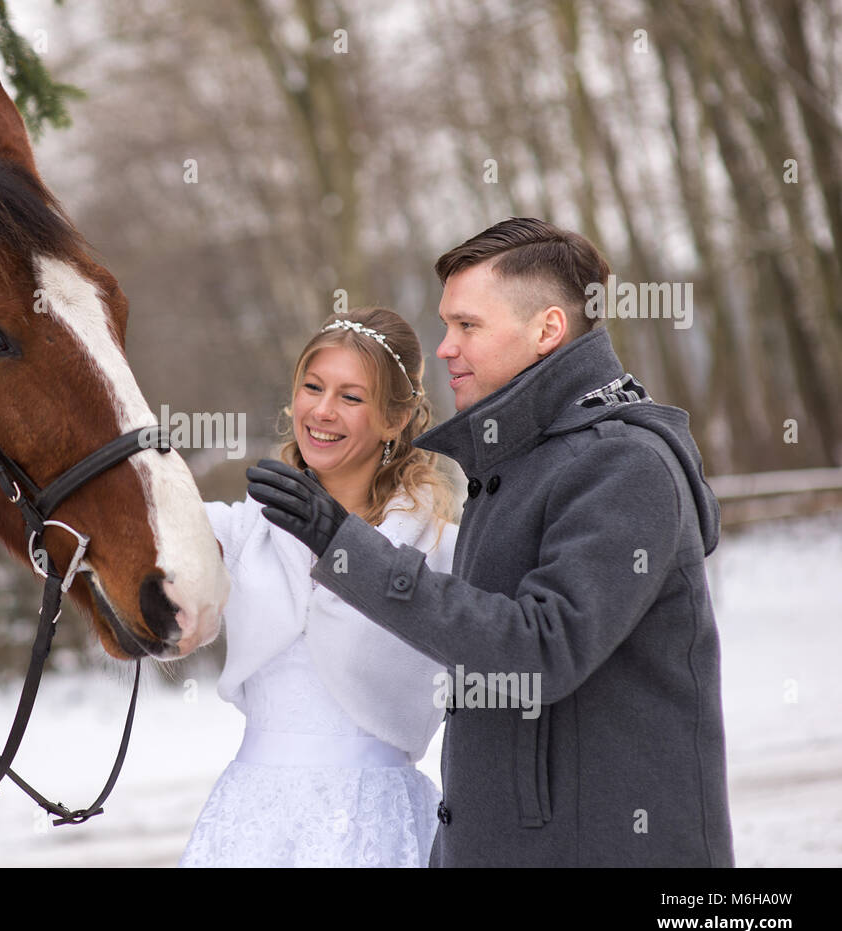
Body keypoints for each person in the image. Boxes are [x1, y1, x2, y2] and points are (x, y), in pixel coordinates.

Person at [248, 218, 735, 866]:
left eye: (467, 325)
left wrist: (345, 545)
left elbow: (539, 649)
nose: (445, 347)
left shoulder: (624, 465)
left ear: (548, 329)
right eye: (446, 323)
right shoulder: (512, 466)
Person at [179, 307, 458, 868]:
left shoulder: (439, 546)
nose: (322, 410)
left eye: (351, 397)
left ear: (395, 417)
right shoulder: (242, 529)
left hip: (374, 826)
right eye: (312, 386)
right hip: (249, 825)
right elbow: (136, 527)